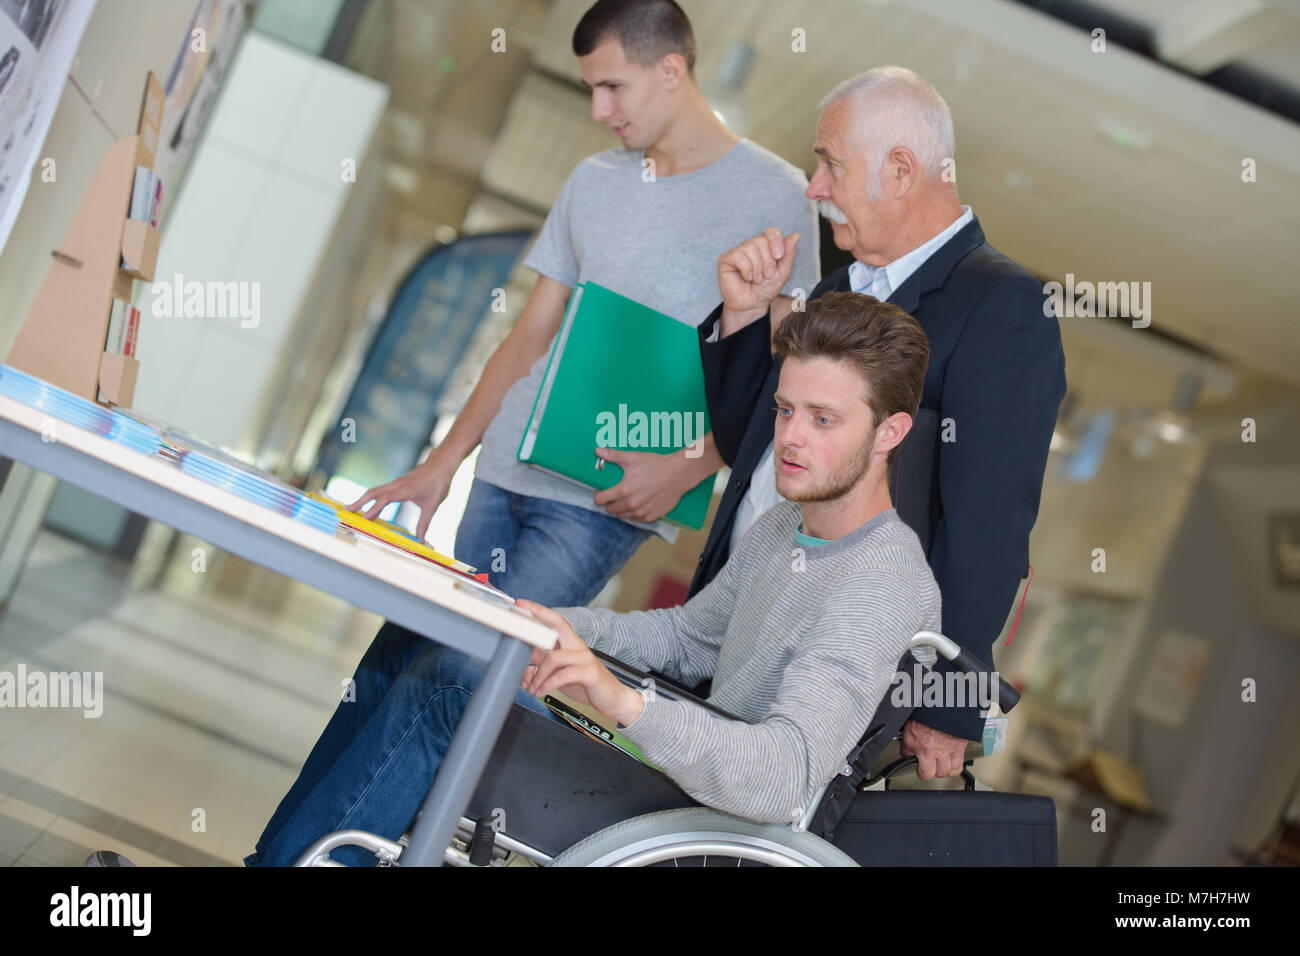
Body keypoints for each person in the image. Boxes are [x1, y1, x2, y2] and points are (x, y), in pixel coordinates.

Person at [243, 0, 818, 866]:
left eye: (612, 86)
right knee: (397, 667)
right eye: (590, 89)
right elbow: (526, 336)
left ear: (673, 70)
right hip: (505, 477)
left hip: (600, 505)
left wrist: (694, 466)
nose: (600, 110)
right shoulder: (594, 180)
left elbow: (781, 376)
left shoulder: (774, 196)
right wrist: (443, 464)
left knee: (458, 681)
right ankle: (284, 854)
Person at [247, 292, 941, 864]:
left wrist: (622, 703)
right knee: (420, 642)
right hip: (677, 773)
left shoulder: (880, 582)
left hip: (711, 821)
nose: (790, 438)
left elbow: (784, 776)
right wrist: (536, 620)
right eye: (786, 410)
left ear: (890, 433)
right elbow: (687, 639)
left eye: (823, 420)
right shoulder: (782, 528)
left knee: (454, 679)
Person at [691, 66, 1067, 780]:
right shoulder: (837, 289)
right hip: (735, 631)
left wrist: (944, 699)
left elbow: (988, 524)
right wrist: (743, 317)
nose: (814, 187)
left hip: (838, 677)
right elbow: (758, 455)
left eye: (830, 163)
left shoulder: (1003, 308)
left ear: (900, 171)